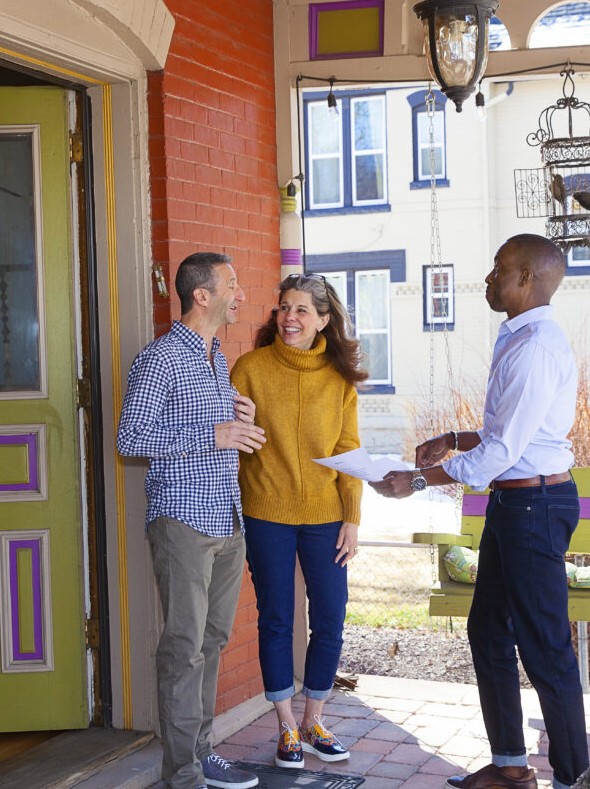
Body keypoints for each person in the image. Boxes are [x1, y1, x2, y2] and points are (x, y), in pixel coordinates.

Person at [371, 234, 587, 789]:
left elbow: (501, 454)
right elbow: (515, 432)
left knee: (546, 651)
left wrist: (417, 479)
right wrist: (454, 436)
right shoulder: (520, 337)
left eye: (499, 270)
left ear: (527, 280)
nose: (489, 279)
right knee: (488, 630)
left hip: (533, 505)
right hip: (518, 502)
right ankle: (512, 767)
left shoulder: (536, 346)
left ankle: (573, 780)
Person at [116, 252, 267, 789]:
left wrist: (238, 419)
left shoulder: (214, 355)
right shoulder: (159, 360)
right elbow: (130, 439)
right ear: (201, 295)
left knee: (211, 641)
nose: (241, 294)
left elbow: (208, 429)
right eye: (232, 284)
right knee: (183, 647)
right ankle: (182, 775)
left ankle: (201, 754)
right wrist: (214, 435)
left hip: (226, 517)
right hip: (182, 520)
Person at [229, 274, 367, 770]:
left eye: (302, 310)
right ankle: (286, 726)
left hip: (327, 516)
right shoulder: (249, 369)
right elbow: (232, 442)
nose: (289, 317)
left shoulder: (339, 379)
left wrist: (352, 517)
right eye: (284, 307)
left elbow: (348, 452)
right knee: (277, 617)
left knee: (330, 616)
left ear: (324, 319)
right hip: (266, 511)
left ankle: (314, 719)